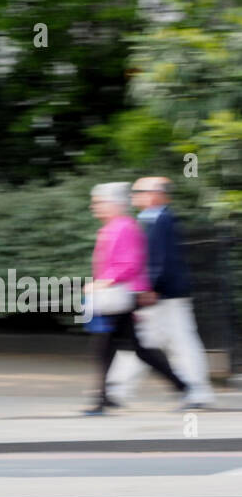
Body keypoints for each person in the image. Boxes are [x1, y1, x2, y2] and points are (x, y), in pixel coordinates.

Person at [106, 176, 215, 409]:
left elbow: (160, 261)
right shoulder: (150, 219)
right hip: (160, 294)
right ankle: (116, 389)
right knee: (145, 342)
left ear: (154, 195)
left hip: (167, 295)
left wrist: (149, 288)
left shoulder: (162, 219)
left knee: (177, 342)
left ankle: (198, 392)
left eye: (138, 192)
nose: (133, 197)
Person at [84, 182, 187, 415]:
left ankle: (101, 400)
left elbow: (130, 264)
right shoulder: (112, 227)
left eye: (99, 202)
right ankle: (181, 386)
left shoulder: (125, 227)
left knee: (105, 348)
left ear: (114, 204)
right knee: (137, 350)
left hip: (120, 297)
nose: (94, 206)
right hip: (116, 297)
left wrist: (104, 282)